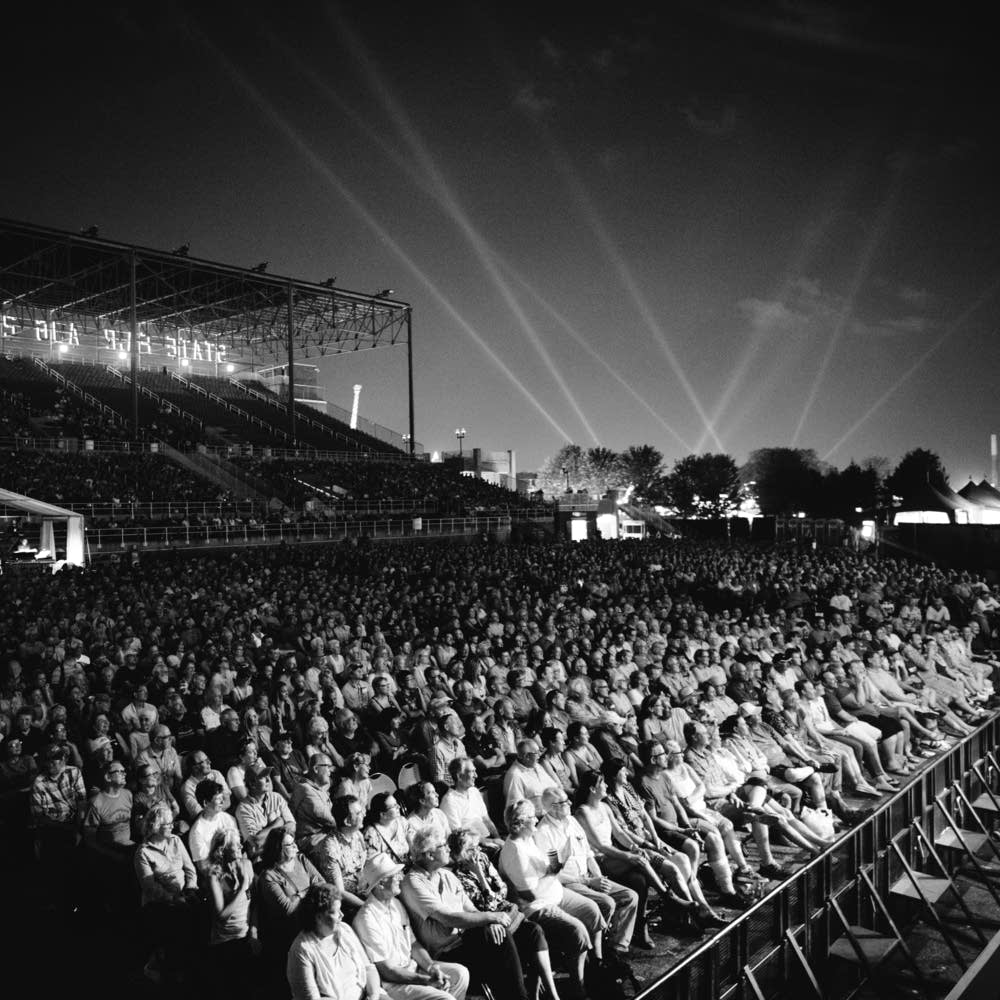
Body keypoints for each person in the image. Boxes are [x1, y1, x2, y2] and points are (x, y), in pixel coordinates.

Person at [401, 827, 530, 1000]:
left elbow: (472, 910)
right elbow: (448, 918)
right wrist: (491, 917)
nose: (448, 848)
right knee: (499, 942)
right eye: (443, 846)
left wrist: (488, 922)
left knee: (525, 933)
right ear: (430, 855)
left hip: (465, 941)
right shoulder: (413, 882)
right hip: (445, 953)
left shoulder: (447, 876)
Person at [499, 798, 604, 999]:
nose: (536, 819)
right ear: (519, 824)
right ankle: (577, 984)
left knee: (593, 910)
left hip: (554, 893)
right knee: (578, 930)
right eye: (531, 817)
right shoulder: (514, 850)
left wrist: (556, 864)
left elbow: (546, 868)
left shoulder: (528, 839)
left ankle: (596, 968)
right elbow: (530, 894)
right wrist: (555, 871)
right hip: (536, 906)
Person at [448, 827, 563, 1000]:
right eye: (471, 849)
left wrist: (489, 887)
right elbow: (490, 904)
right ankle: (521, 995)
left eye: (478, 847)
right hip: (487, 925)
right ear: (458, 854)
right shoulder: (458, 876)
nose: (477, 852)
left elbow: (502, 889)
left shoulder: (484, 859)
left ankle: (550, 994)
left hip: (506, 916)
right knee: (510, 938)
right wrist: (480, 875)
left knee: (535, 931)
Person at [533, 786, 639, 964]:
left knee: (630, 896)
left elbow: (589, 854)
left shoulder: (572, 820)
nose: (570, 803)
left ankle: (616, 948)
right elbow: (554, 874)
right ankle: (592, 952)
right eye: (564, 802)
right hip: (570, 883)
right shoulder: (544, 833)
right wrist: (589, 881)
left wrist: (600, 879)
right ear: (552, 808)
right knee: (606, 903)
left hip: (589, 876)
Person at [353, 852, 470, 1000]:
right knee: (445, 998)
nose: (400, 878)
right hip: (394, 984)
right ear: (381, 884)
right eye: (395, 875)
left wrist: (431, 968)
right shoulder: (366, 919)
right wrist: (427, 981)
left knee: (460, 974)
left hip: (414, 969)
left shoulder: (396, 904)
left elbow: (413, 944)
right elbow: (387, 970)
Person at [133, 803, 200, 986]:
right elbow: (150, 886)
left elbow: (190, 869)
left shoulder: (176, 841)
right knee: (172, 925)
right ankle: (159, 968)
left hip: (184, 895)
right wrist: (172, 899)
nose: (172, 826)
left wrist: (191, 888)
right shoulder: (143, 853)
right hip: (160, 903)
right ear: (155, 826)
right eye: (168, 824)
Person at [288, 883, 390, 1000]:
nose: (342, 915)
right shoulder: (302, 950)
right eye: (336, 912)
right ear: (319, 917)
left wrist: (373, 996)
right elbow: (310, 997)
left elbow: (369, 968)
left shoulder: (345, 929)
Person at [257, 827, 326, 993]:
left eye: (294, 843)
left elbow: (322, 883)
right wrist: (308, 891)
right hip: (292, 932)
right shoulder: (269, 876)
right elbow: (287, 909)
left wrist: (298, 895)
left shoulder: (301, 859)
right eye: (289, 845)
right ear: (278, 849)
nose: (296, 847)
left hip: (315, 921)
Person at [314, 794, 368, 913]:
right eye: (358, 813)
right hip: (350, 906)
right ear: (347, 821)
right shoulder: (330, 848)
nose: (364, 814)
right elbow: (340, 893)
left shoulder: (357, 835)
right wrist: (368, 907)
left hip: (366, 892)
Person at [439, 758, 503, 851]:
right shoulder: (449, 801)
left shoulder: (474, 791)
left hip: (487, 838)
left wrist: (498, 838)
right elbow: (459, 836)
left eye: (475, 771)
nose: (476, 776)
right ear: (459, 776)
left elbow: (487, 820)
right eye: (472, 772)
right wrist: (490, 841)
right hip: (470, 846)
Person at [236, 767, 296, 860]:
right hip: (264, 858)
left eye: (268, 776)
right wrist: (278, 823)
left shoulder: (277, 797)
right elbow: (257, 842)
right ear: (252, 784)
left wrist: (266, 833)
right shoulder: (243, 808)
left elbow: (292, 826)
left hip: (287, 850)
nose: (268, 780)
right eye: (263, 777)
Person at [188, 778, 240, 873]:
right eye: (218, 799)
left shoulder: (229, 819)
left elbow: (237, 850)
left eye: (222, 798)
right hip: (216, 874)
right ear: (206, 803)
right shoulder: (197, 832)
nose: (222, 802)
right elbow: (203, 867)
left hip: (235, 866)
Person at [502, 738, 557, 815]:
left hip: (556, 811)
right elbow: (518, 809)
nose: (539, 755)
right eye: (537, 753)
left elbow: (554, 786)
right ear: (526, 756)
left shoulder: (537, 766)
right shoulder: (514, 775)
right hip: (539, 819)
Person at [365, 791, 411, 863]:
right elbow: (374, 864)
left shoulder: (402, 821)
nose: (399, 807)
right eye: (394, 806)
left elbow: (414, 846)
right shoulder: (371, 834)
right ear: (383, 814)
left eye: (397, 804)